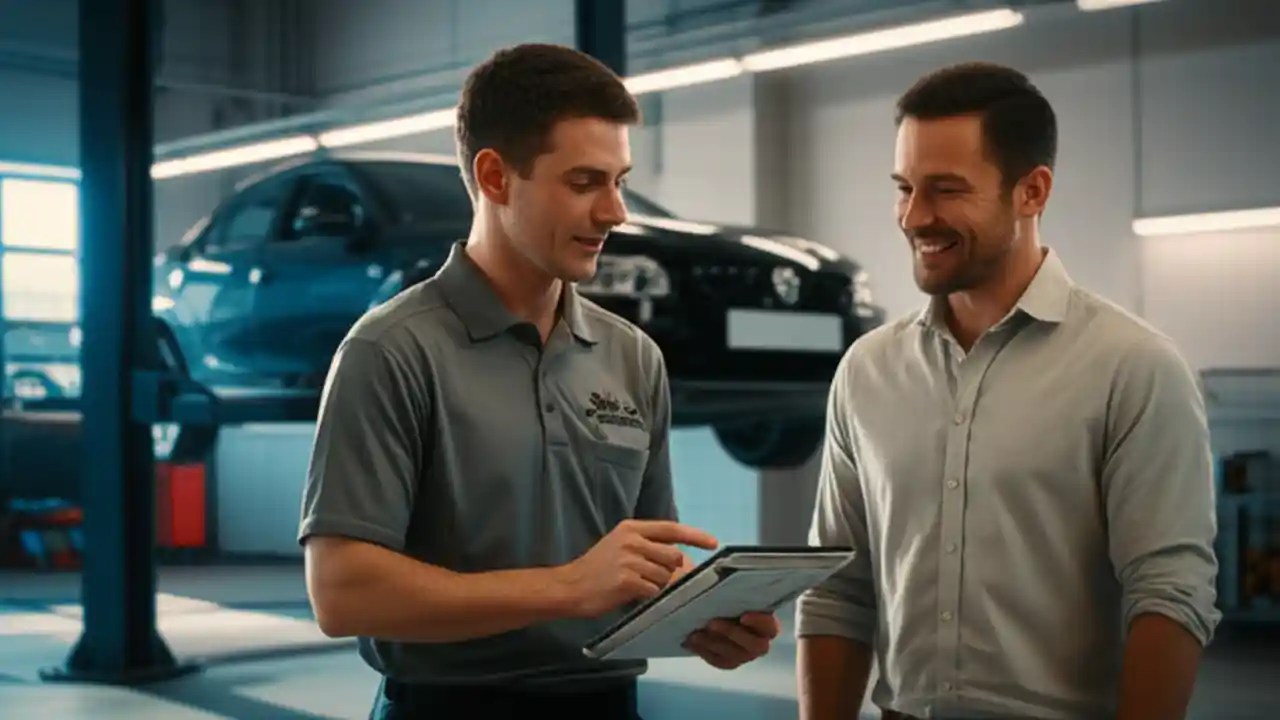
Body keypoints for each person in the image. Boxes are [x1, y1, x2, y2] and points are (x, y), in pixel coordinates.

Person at [297, 43, 779, 720]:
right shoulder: (391, 351)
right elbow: (343, 593)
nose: (615, 212)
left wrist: (701, 617)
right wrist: (564, 589)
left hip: (609, 706)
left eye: (619, 180)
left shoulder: (634, 356)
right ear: (496, 177)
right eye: (584, 182)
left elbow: (637, 568)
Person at [795, 61, 1220, 720]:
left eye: (945, 190)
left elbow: (1170, 592)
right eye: (904, 187)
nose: (914, 216)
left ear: (1032, 191)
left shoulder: (1133, 368)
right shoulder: (866, 371)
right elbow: (837, 592)